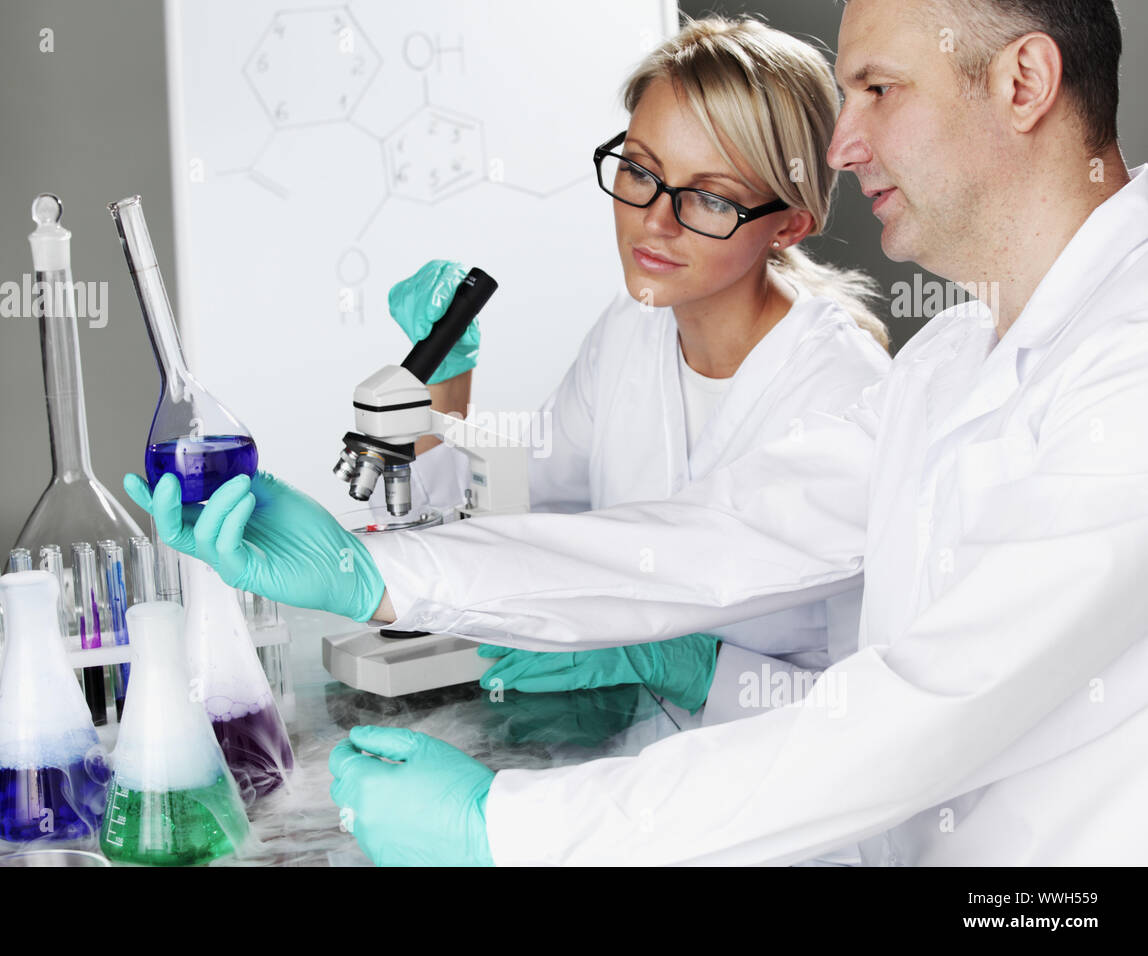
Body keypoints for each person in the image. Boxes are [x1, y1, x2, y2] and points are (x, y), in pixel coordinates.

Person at [131, 0, 1146, 865]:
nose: (845, 144)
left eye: (879, 90)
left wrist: (509, 827)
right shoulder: (954, 355)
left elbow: (917, 716)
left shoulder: (1127, 361)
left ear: (1022, 82)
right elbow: (711, 534)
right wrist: (381, 571)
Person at [383, 15, 890, 726]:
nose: (655, 220)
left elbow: (880, 724)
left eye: (710, 197)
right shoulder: (635, 331)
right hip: (633, 779)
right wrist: (446, 374)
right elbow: (505, 507)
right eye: (641, 170)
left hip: (796, 826)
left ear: (789, 223)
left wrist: (688, 665)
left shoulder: (848, 399)